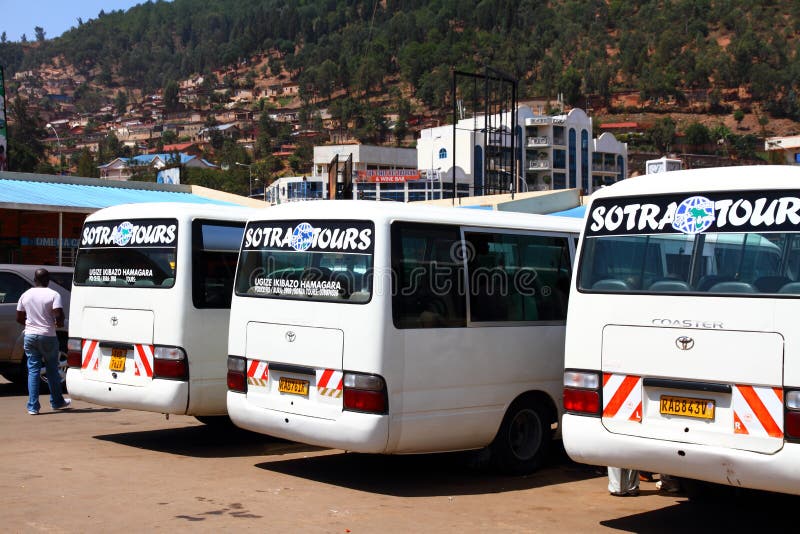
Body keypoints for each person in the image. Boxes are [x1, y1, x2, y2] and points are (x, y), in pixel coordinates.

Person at [16, 268, 71, 415]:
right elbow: (58, 315)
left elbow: (19, 317)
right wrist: (57, 323)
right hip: (48, 336)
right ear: (48, 280)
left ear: (35, 280)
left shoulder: (25, 295)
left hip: (30, 336)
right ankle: (57, 402)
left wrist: (31, 324)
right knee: (52, 370)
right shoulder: (53, 294)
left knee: (33, 371)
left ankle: (33, 407)